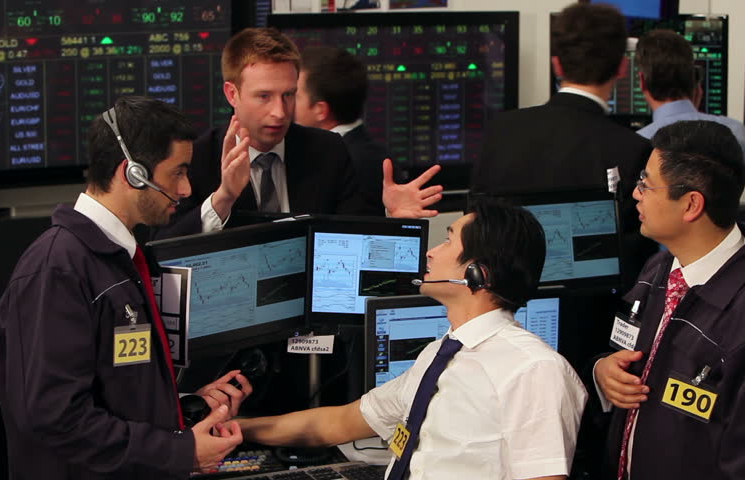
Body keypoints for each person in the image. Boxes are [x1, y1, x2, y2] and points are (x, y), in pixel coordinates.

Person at [0, 96, 254, 479]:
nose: (184, 190)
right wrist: (178, 451)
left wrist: (182, 406)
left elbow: (112, 388)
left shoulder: (120, 258)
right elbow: (55, 419)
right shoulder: (58, 270)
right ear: (131, 174)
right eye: (177, 173)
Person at [235, 197, 588, 480]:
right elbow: (336, 423)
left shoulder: (534, 370)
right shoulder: (439, 355)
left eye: (449, 240)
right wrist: (236, 429)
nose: (432, 251)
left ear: (477, 274)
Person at [592, 120, 745, 479]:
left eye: (646, 184)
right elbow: (628, 350)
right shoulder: (659, 269)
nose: (635, 194)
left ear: (692, 204)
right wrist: (603, 370)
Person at [161, 28, 441, 238]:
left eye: (289, 95)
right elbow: (160, 251)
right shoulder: (198, 158)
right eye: (264, 96)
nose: (280, 112)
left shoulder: (327, 150)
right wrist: (223, 198)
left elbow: (354, 246)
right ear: (232, 94)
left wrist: (392, 218)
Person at [471, 2, 654, 289]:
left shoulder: (501, 131)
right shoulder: (633, 149)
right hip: (594, 321)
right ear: (622, 67)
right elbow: (635, 259)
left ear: (556, 64)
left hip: (506, 308)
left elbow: (476, 228)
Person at [296, 45, 413, 216]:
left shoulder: (341, 161)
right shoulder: (373, 152)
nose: (286, 106)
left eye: (294, 95)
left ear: (320, 110)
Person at [635, 29, 745, 165]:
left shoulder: (637, 143)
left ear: (642, 81)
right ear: (694, 79)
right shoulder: (736, 132)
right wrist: (691, 116)